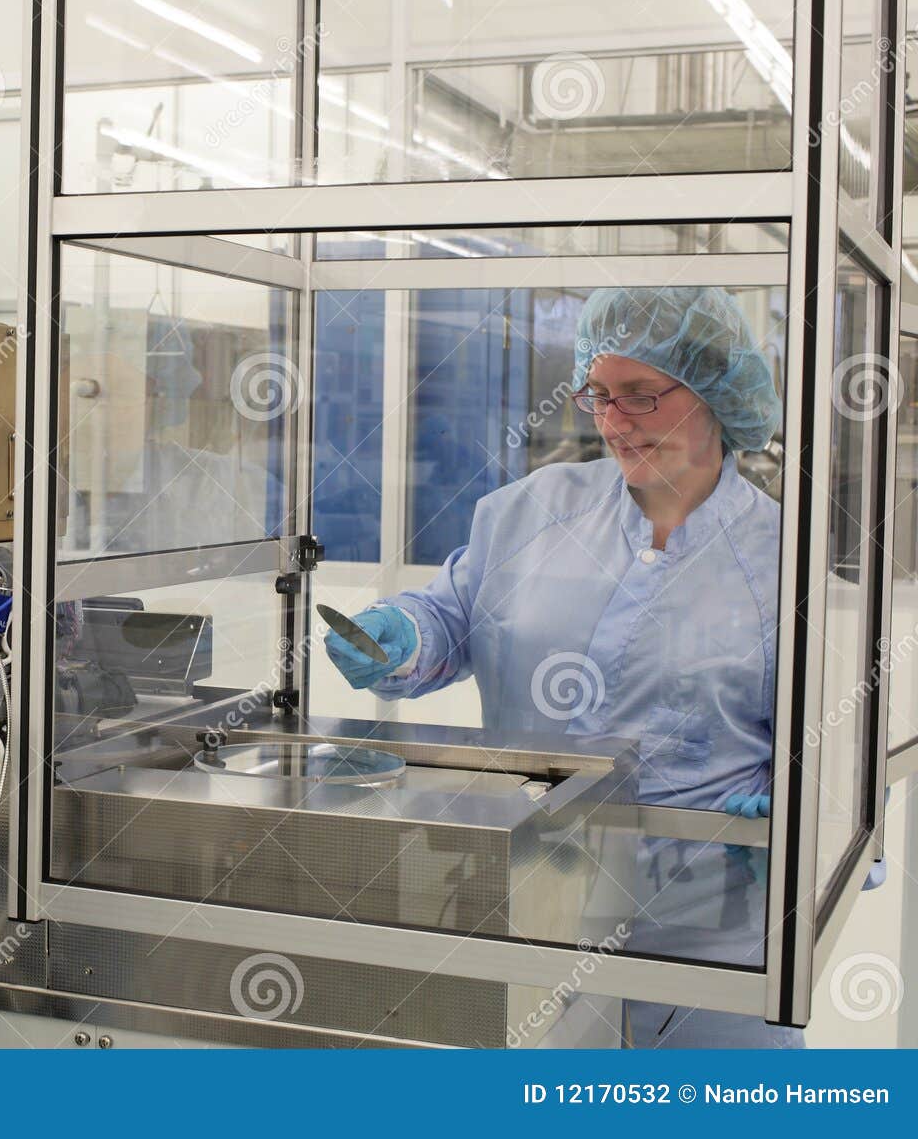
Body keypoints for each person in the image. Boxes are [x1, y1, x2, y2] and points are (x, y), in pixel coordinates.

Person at [323, 286, 799, 1048]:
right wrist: (401, 635)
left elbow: (835, 764)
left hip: (705, 949)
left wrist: (791, 815)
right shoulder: (529, 511)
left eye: (641, 397)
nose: (612, 422)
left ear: (714, 393)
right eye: (598, 394)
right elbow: (456, 611)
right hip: (523, 905)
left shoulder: (786, 562)